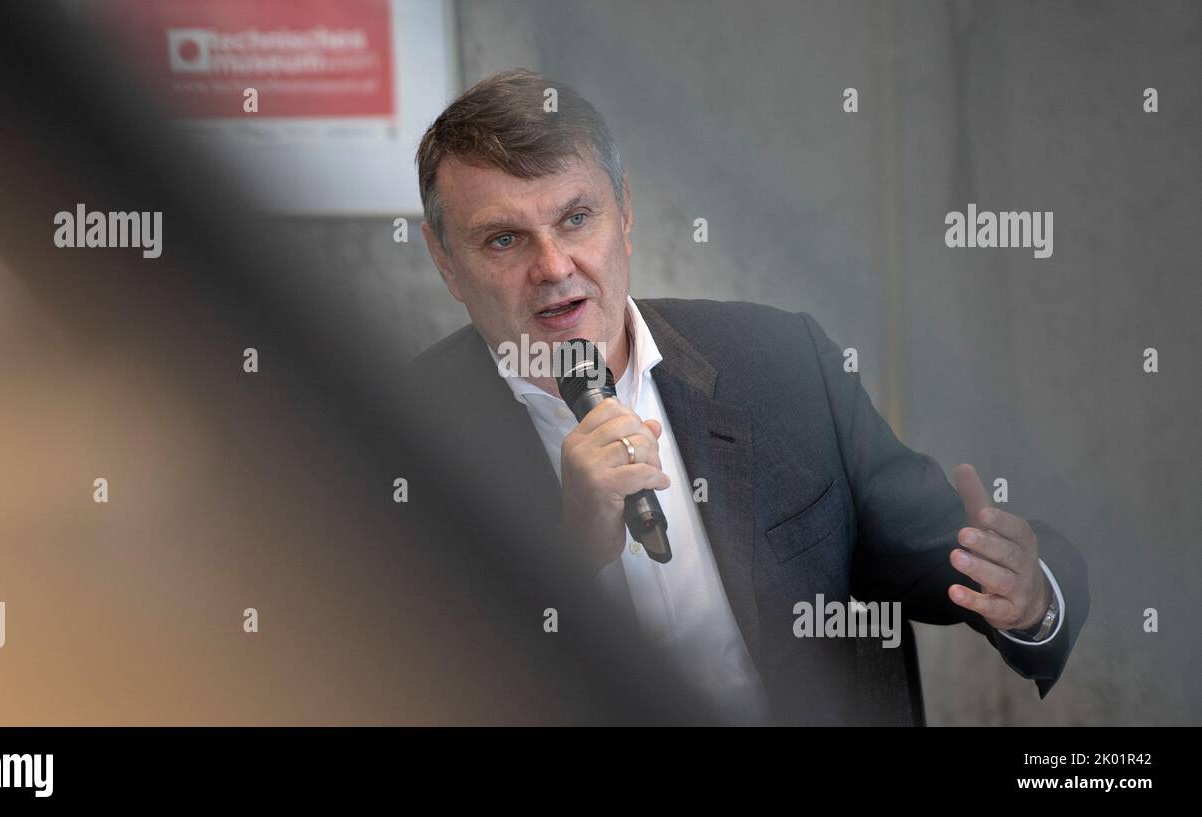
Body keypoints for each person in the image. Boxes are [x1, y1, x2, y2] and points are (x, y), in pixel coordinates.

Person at [403, 68, 1088, 725]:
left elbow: (955, 556)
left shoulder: (781, 365)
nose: (553, 267)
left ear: (627, 213)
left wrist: (1030, 594)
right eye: (503, 238)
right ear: (444, 262)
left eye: (577, 218)